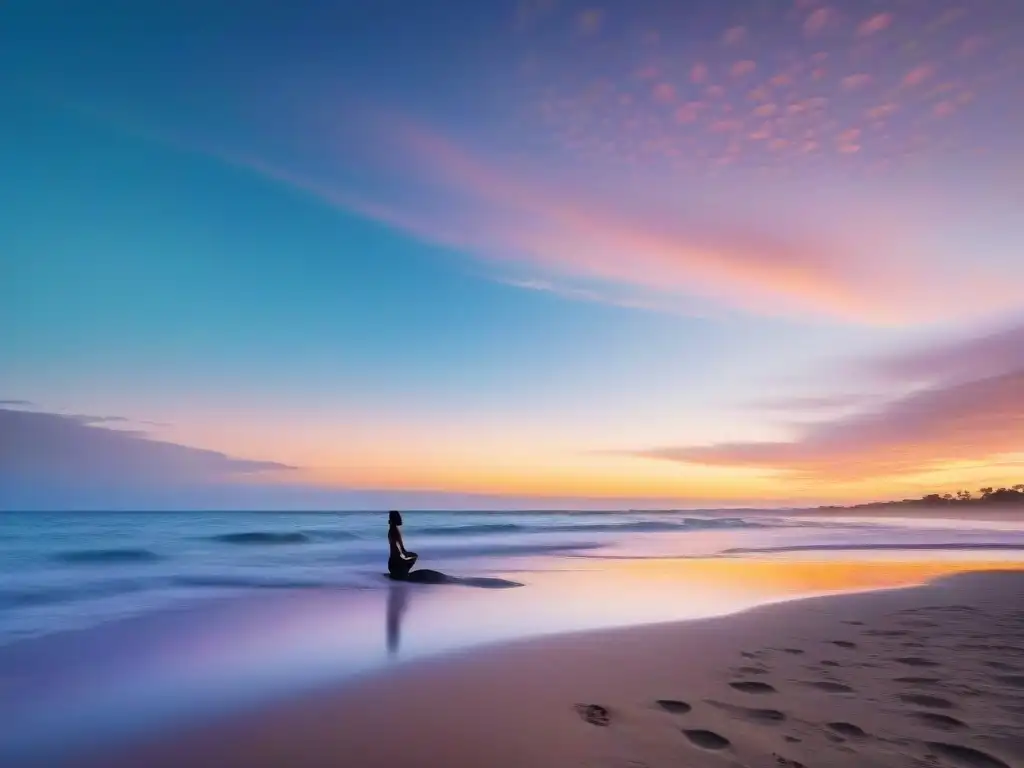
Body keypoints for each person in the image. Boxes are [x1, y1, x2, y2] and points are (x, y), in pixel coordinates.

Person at [387, 510, 417, 579]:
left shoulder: (392, 529)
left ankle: (401, 573)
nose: (400, 518)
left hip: (392, 562)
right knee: (414, 556)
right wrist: (403, 554)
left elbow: (397, 546)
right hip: (396, 562)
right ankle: (402, 573)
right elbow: (398, 546)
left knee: (412, 555)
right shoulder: (394, 530)